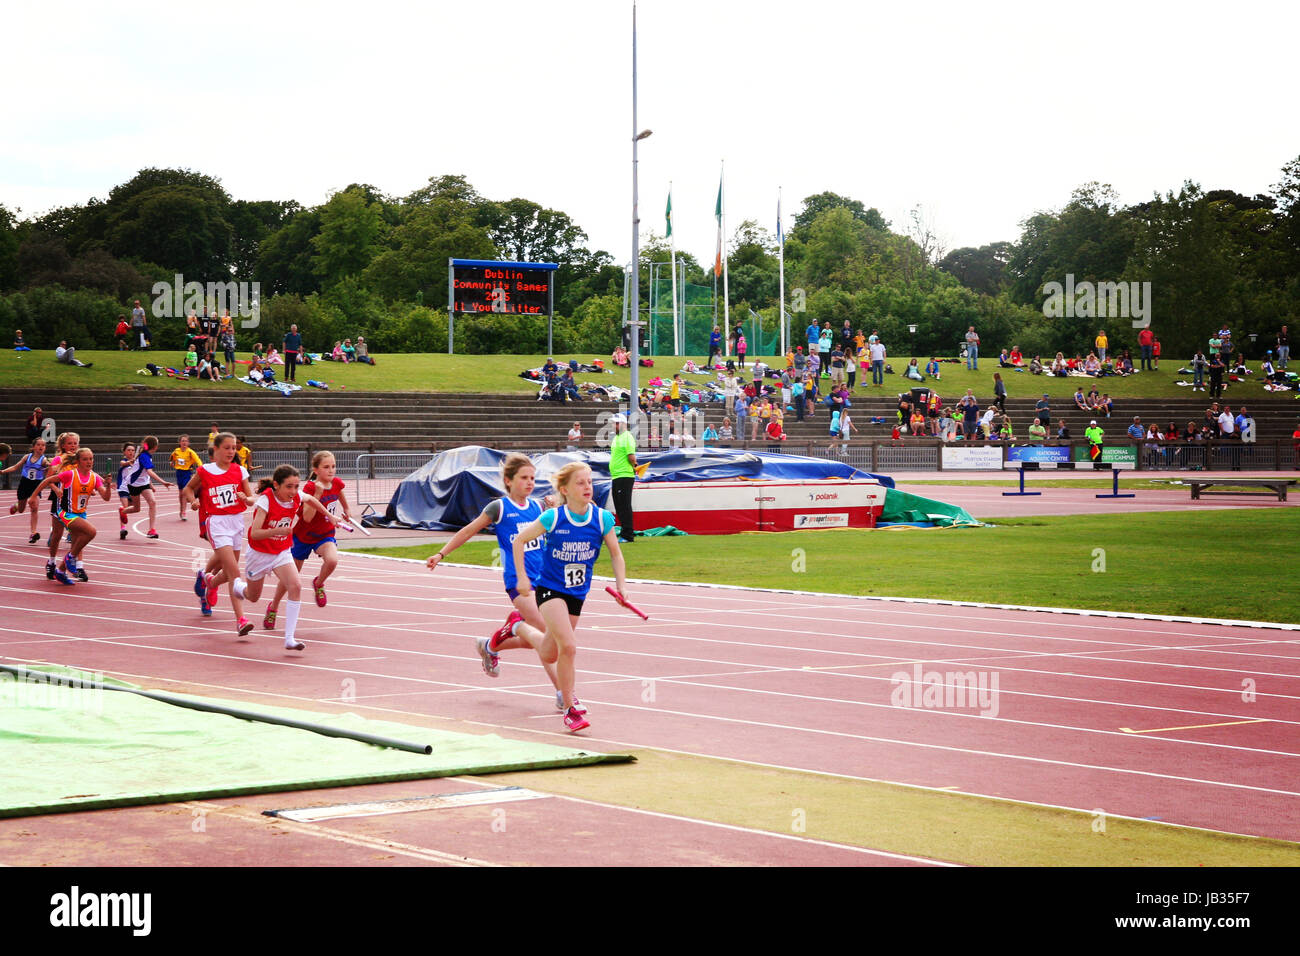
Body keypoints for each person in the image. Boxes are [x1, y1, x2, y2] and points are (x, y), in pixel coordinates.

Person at [511, 462, 628, 732]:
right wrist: (522, 578)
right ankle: (569, 709)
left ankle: (517, 627)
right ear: (565, 489)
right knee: (570, 646)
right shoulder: (553, 518)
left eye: (589, 482)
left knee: (550, 652)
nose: (588, 487)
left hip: (578, 593)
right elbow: (519, 541)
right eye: (580, 483)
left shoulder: (601, 519)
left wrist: (622, 587)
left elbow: (616, 554)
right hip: (551, 590)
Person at [224, 465, 336, 651]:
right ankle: (238, 587)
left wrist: (330, 516)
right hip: (259, 553)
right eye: (288, 487)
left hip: (281, 552)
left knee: (296, 586)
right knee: (253, 596)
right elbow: (255, 534)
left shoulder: (296, 496)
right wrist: (279, 530)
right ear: (276, 485)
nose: (293, 491)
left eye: (296, 486)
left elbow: (310, 500)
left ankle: (289, 638)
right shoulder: (266, 501)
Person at [265, 451, 353, 630]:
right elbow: (306, 517)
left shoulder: (336, 483)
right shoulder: (309, 489)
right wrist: (319, 493)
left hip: (324, 535)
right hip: (303, 537)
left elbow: (339, 493)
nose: (331, 470)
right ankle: (273, 607)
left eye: (333, 466)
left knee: (332, 560)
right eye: (326, 467)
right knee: (290, 579)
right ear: (316, 469)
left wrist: (347, 509)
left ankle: (319, 582)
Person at [188, 432, 256, 633]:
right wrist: (193, 500)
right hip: (216, 522)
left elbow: (251, 499)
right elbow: (188, 489)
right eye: (226, 447)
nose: (231, 451)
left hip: (236, 522)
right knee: (234, 571)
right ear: (215, 449)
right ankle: (241, 619)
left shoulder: (240, 470)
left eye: (233, 448)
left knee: (227, 572)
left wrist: (246, 498)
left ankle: (209, 580)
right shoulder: (205, 470)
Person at [30, 447, 111, 586]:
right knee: (91, 532)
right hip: (65, 513)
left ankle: (61, 571)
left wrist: (108, 486)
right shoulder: (70, 474)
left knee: (78, 541)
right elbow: (47, 480)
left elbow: (106, 497)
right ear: (78, 461)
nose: (89, 462)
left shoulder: (95, 477)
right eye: (85, 459)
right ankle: (70, 558)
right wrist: (32, 497)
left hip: (80, 514)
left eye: (91, 459)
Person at [119, 436, 171, 539]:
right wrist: (163, 482)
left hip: (144, 484)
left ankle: (151, 530)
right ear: (155, 447)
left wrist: (151, 485)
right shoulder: (144, 456)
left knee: (153, 502)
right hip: (133, 484)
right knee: (137, 508)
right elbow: (149, 471)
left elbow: (144, 474)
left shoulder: (147, 455)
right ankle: (123, 511)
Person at [2, 437, 50, 543]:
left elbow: (48, 469)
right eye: (38, 445)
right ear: (33, 447)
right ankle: (17, 506)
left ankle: (33, 533)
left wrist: (49, 467)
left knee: (34, 508)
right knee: (21, 510)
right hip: (24, 484)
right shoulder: (27, 457)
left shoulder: (44, 460)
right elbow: (15, 467)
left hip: (36, 485)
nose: (41, 447)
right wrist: (2, 471)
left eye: (43, 445)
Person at [608, 413, 638, 544]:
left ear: (623, 424)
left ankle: (628, 534)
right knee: (619, 505)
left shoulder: (627, 437)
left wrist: (635, 466)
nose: (614, 425)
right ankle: (625, 532)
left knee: (624, 506)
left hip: (625, 475)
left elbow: (631, 456)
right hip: (617, 476)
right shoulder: (617, 438)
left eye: (616, 423)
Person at [170, 435, 203, 520]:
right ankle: (181, 510)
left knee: (184, 493)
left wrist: (201, 469)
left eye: (186, 441)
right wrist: (172, 462)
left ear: (188, 443)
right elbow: (172, 458)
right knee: (181, 494)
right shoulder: (176, 451)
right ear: (180, 442)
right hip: (179, 473)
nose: (184, 442)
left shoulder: (190, 452)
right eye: (183, 441)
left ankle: (184, 512)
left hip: (187, 473)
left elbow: (198, 461)